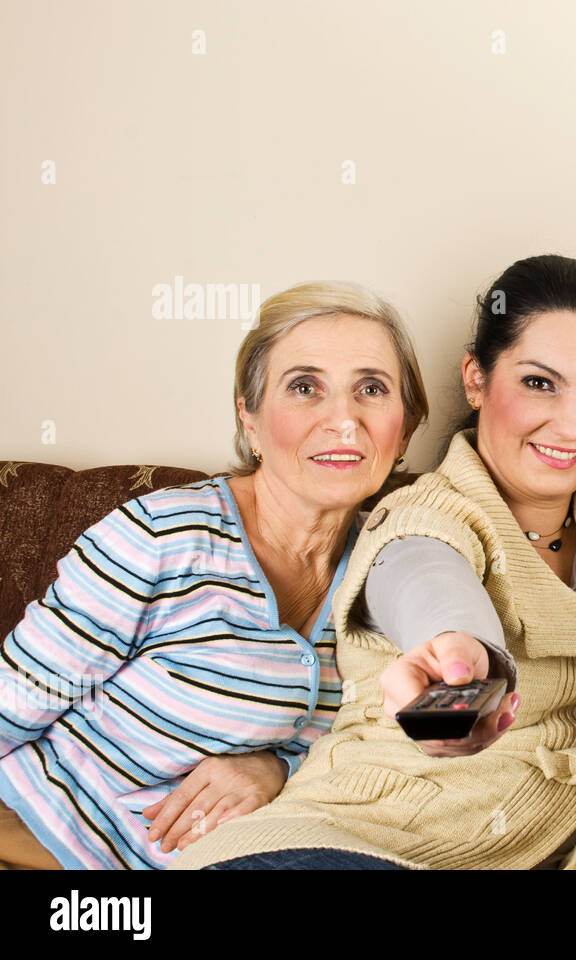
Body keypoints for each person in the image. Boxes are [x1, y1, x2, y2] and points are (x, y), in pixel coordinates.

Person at [169, 254, 576, 871]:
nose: (574, 424)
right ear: (476, 380)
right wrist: (461, 663)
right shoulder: (426, 517)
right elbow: (423, 578)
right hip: (324, 849)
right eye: (539, 383)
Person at [0, 282, 433, 868]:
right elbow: (12, 705)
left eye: (371, 389)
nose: (344, 420)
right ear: (249, 418)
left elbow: (380, 755)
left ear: (404, 428)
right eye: (305, 387)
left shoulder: (395, 572)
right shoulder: (162, 536)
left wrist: (276, 768)